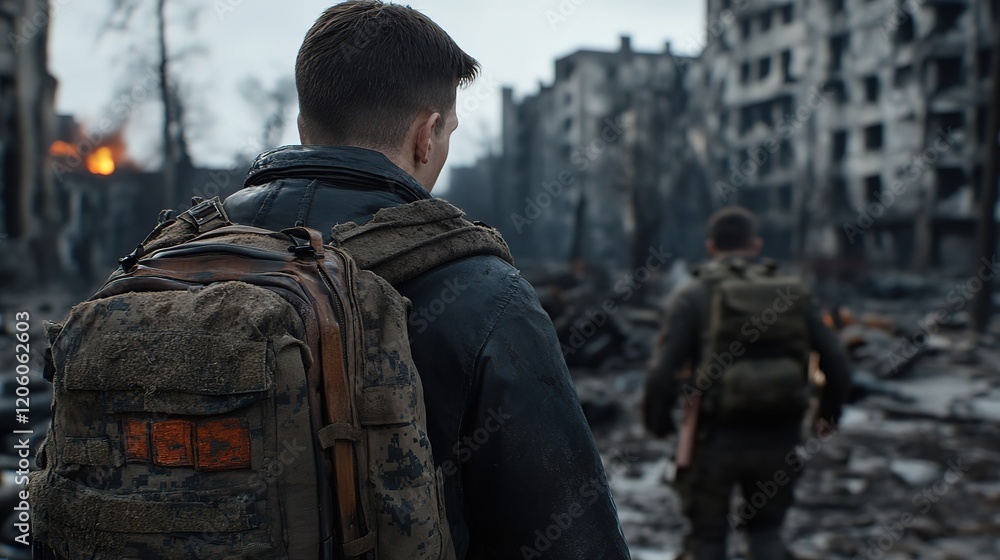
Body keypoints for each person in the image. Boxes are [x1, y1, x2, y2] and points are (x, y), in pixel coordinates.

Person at [222, 2, 631, 559]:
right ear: (428, 132)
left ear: (303, 129)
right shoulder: (485, 293)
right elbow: (572, 539)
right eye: (449, 131)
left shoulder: (168, 265)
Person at [643, 207, 851, 560]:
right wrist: (827, 414)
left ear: (711, 247)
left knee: (707, 539)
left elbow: (663, 371)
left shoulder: (691, 295)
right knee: (766, 532)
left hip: (713, 438)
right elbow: (837, 362)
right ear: (756, 245)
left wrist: (659, 422)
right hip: (779, 432)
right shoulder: (793, 292)